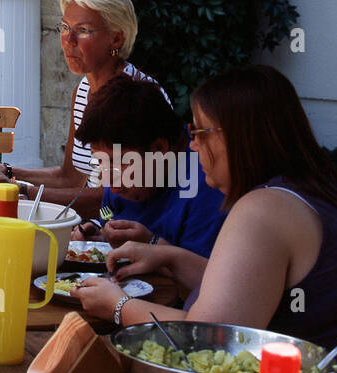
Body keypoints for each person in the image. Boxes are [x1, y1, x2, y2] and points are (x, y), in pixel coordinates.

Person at [73, 64, 337, 373]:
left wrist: (117, 305)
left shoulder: (264, 209)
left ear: (241, 137)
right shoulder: (303, 189)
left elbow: (205, 338)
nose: (192, 144)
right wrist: (168, 256)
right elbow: (249, 295)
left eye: (200, 132)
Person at [0, 0, 165, 216]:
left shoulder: (138, 99)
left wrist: (22, 191)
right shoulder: (83, 90)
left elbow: (120, 193)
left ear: (116, 39)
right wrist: (6, 171)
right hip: (91, 228)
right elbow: (69, 176)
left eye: (84, 30)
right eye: (65, 27)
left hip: (126, 233)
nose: (69, 40)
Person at [70, 74, 225, 257]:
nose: (111, 184)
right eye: (100, 160)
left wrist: (153, 245)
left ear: (159, 149)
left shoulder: (209, 184)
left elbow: (204, 277)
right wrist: (99, 234)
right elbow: (106, 215)